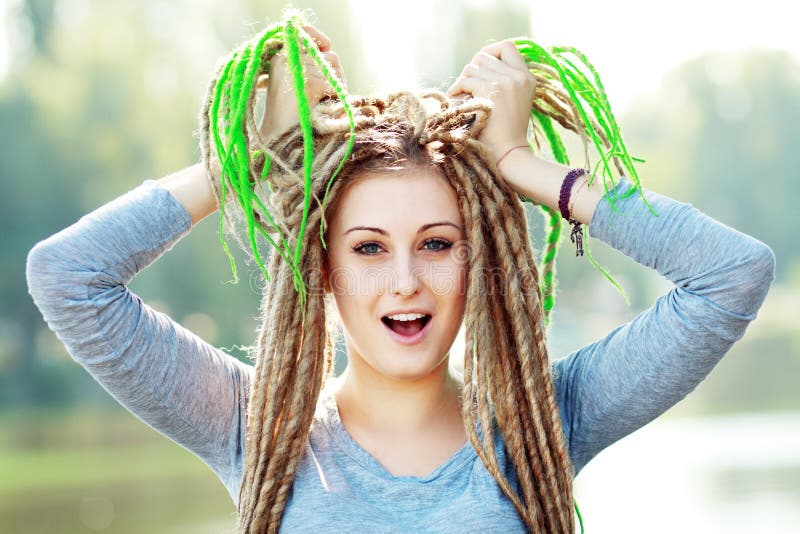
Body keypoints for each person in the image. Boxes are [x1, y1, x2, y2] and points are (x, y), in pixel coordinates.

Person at [26, 23, 775, 534]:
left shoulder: (547, 420)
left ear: (477, 259)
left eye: (439, 243)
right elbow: (68, 277)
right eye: (370, 248)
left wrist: (521, 166)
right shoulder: (255, 428)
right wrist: (254, 155)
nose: (406, 281)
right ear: (320, 265)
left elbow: (731, 274)